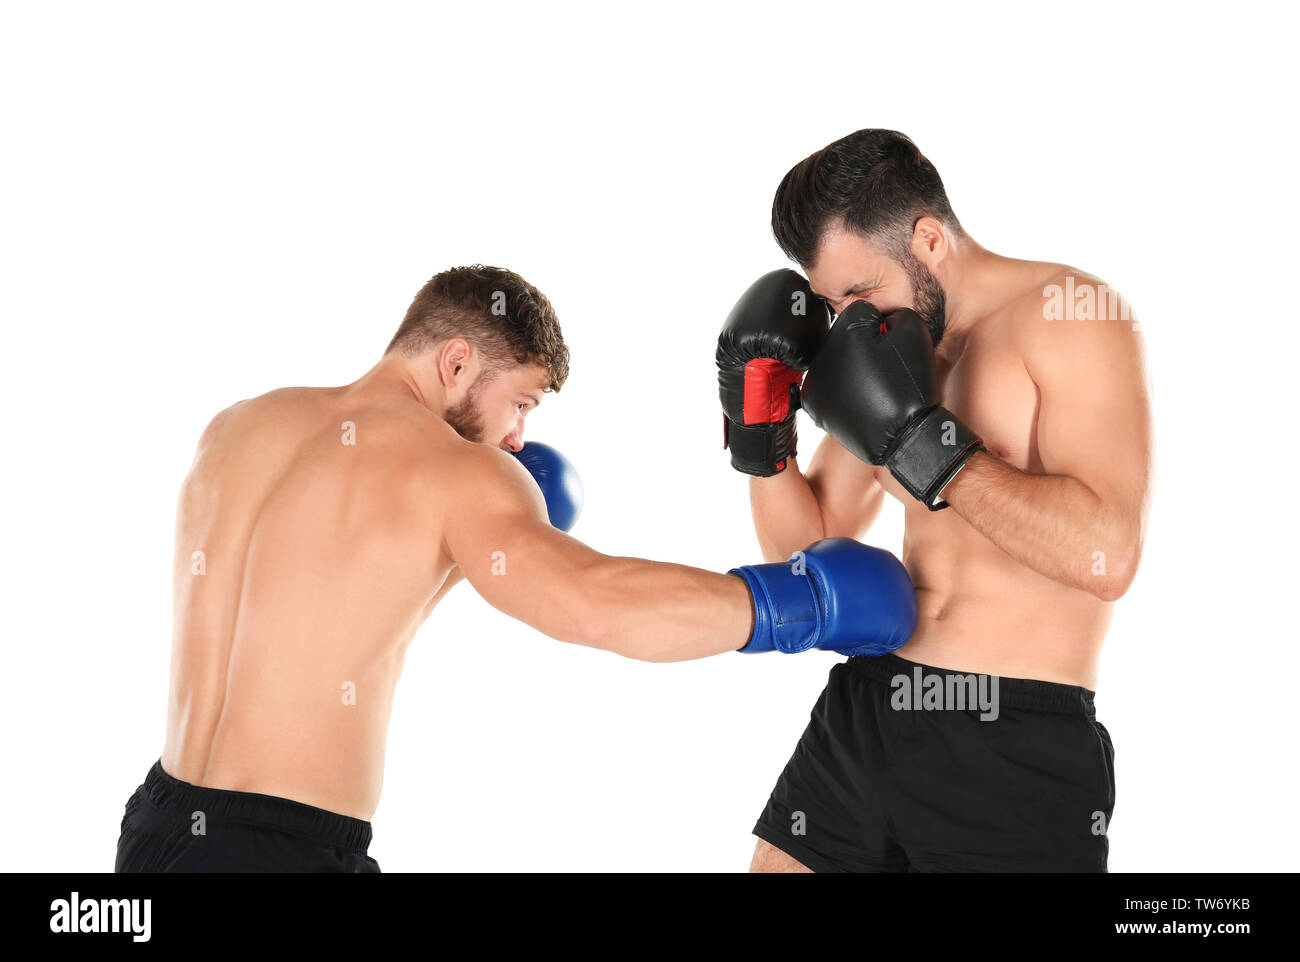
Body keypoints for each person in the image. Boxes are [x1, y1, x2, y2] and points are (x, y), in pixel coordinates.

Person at [115, 264, 917, 872]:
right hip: (280, 851)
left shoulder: (239, 426)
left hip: (157, 823)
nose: (518, 439)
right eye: (523, 403)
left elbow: (322, 587)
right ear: (457, 362)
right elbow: (596, 604)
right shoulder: (458, 472)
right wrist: (794, 604)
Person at [725, 130, 1151, 872]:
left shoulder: (1070, 315)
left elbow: (1107, 555)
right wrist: (760, 435)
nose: (849, 319)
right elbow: (804, 549)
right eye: (832, 303)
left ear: (928, 238)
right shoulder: (894, 349)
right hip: (867, 711)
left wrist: (928, 448)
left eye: (858, 292)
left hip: (1012, 738)